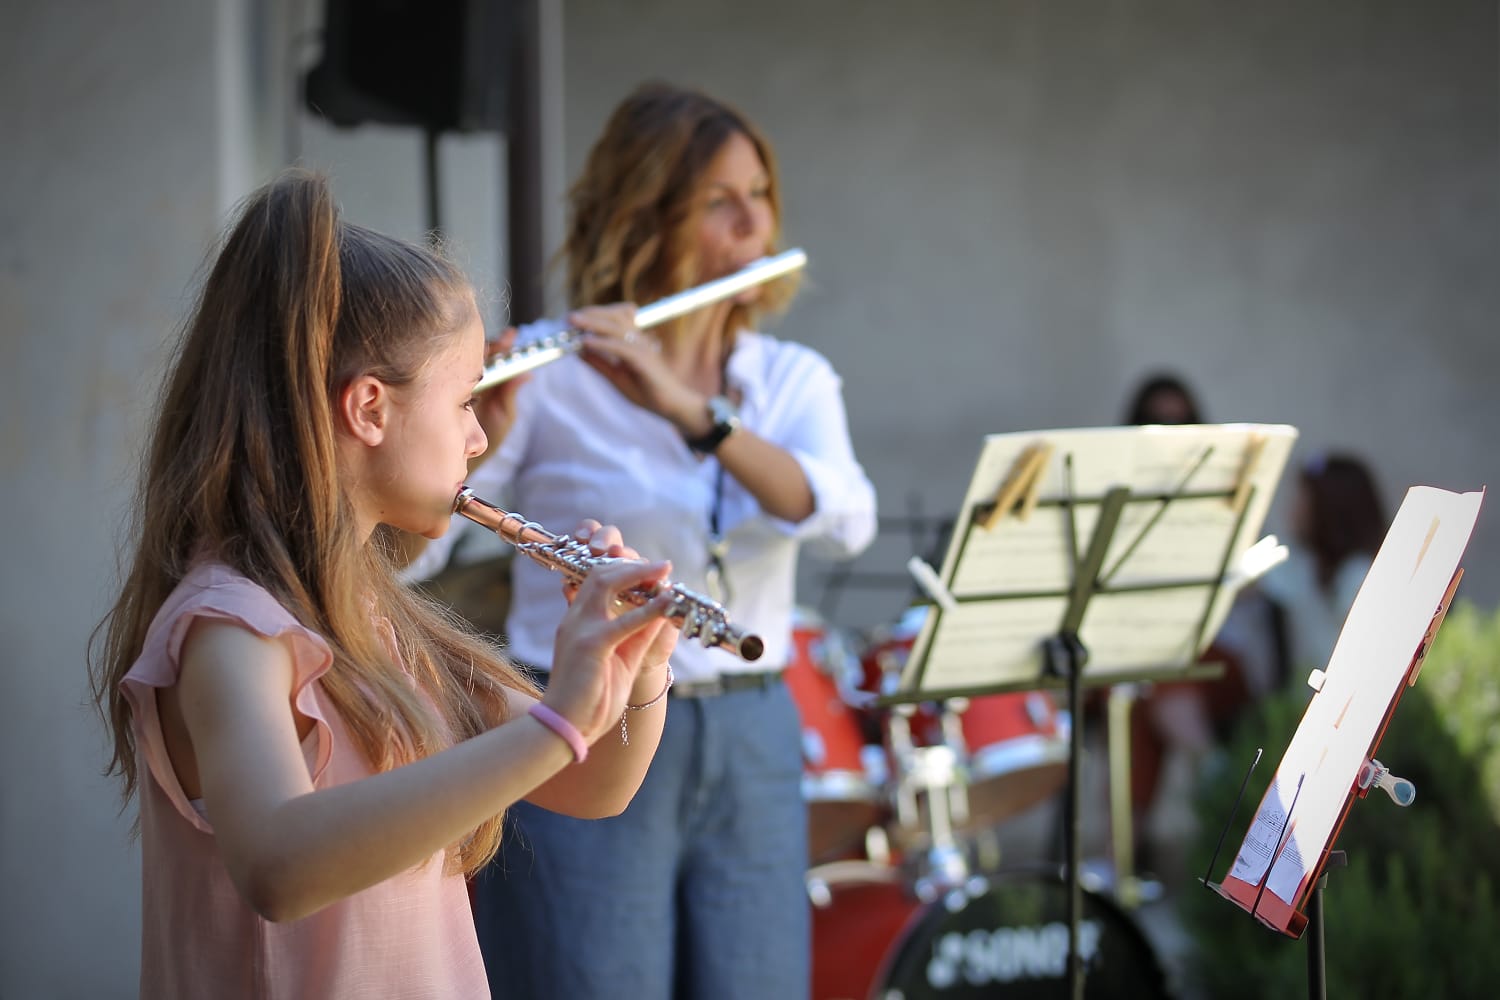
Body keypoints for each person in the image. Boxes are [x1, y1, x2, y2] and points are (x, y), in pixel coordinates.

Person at [88, 169, 682, 999]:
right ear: (369, 408)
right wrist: (558, 717)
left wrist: (640, 663)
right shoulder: (230, 629)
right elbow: (280, 867)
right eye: (466, 400)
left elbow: (592, 785)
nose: (478, 439)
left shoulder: (379, 616)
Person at [407, 81, 878, 998]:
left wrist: (688, 409)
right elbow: (416, 551)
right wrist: (485, 434)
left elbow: (842, 517)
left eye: (761, 194)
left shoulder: (789, 380)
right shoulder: (551, 378)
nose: (755, 221)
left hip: (750, 723)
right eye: (719, 201)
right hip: (582, 717)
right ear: (646, 217)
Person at [1260, 451, 1386, 674]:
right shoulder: (1304, 566)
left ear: (1331, 510)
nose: (1292, 509)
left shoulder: (1359, 574)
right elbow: (1254, 579)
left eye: (1303, 500)